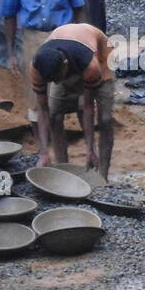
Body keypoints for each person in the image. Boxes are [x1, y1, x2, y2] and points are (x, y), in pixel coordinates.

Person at [0, 0, 86, 126]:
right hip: (33, 39)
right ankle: (44, 149)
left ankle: (86, 143)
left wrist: (83, 41)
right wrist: (11, 53)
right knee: (37, 98)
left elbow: (79, 7)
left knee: (75, 91)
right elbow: (9, 15)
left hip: (63, 37)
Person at [29, 24, 114, 178]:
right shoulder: (37, 67)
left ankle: (102, 176)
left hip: (102, 56)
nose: (54, 83)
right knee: (55, 115)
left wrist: (90, 149)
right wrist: (43, 152)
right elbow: (43, 109)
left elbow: (87, 106)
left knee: (105, 119)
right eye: (51, 80)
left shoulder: (90, 65)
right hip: (67, 53)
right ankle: (63, 170)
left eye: (56, 79)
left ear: (64, 65)